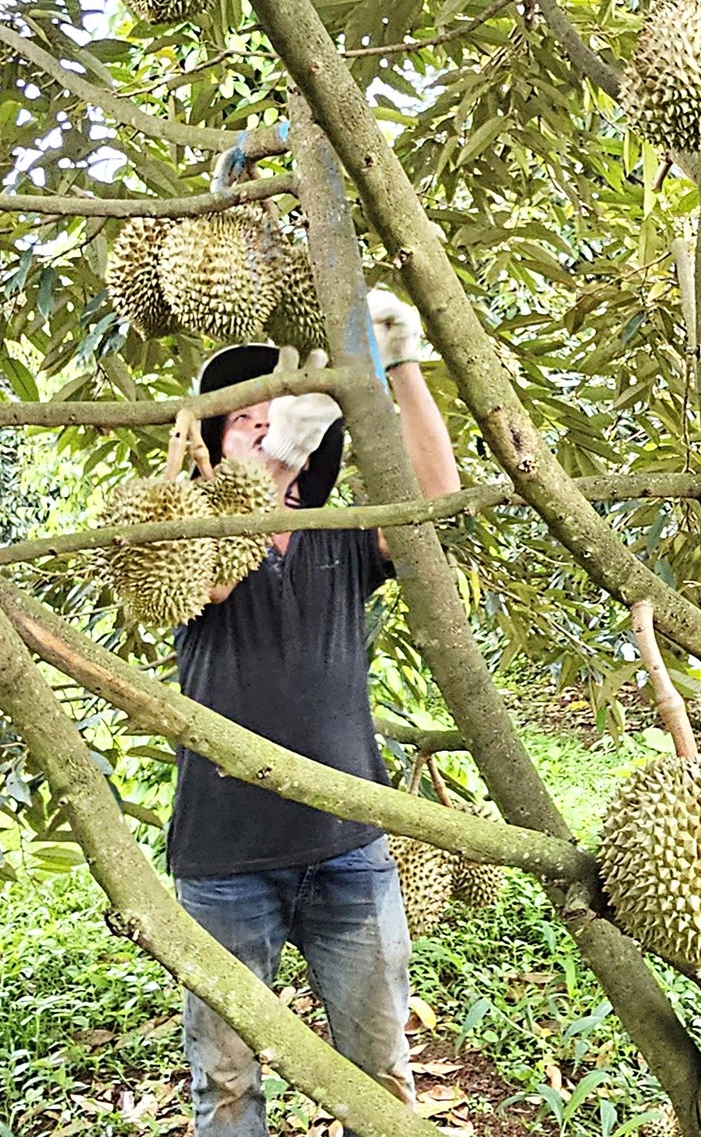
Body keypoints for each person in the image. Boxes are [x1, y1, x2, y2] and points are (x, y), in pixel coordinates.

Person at [166, 289, 460, 1137]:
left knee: (380, 1070)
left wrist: (402, 363)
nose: (263, 424)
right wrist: (284, 446)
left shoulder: (341, 531)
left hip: (349, 848)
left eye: (278, 413)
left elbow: (433, 502)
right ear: (211, 445)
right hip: (224, 858)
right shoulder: (183, 535)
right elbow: (204, 580)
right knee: (226, 1082)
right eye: (243, 418)